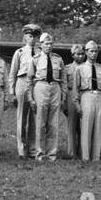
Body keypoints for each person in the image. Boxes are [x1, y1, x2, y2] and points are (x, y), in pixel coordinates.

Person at [7, 24, 42, 158]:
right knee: (21, 117)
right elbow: (13, 72)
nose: (32, 39)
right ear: (25, 37)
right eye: (30, 36)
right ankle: (21, 149)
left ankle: (33, 149)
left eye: (35, 36)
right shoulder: (19, 52)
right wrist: (12, 91)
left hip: (35, 84)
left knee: (34, 118)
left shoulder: (41, 52)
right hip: (22, 82)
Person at [30, 32, 64, 162]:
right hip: (41, 87)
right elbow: (29, 79)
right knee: (40, 123)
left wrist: (64, 95)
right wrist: (30, 98)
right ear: (41, 45)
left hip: (55, 87)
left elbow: (64, 79)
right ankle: (39, 153)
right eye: (46, 43)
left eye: (50, 43)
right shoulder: (36, 59)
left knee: (53, 123)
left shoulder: (58, 59)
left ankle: (51, 154)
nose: (49, 46)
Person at [73, 39, 101, 161]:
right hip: (86, 96)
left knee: (98, 129)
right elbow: (75, 88)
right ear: (86, 52)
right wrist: (77, 104)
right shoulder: (80, 68)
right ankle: (85, 156)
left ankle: (96, 157)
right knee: (86, 128)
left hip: (99, 97)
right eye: (91, 51)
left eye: (96, 51)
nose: (94, 54)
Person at [64, 42, 86, 160]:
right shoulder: (67, 68)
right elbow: (64, 84)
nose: (80, 56)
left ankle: (83, 151)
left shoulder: (87, 67)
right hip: (71, 94)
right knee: (72, 125)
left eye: (82, 54)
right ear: (72, 55)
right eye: (77, 54)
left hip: (84, 94)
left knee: (83, 125)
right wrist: (64, 103)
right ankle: (72, 152)